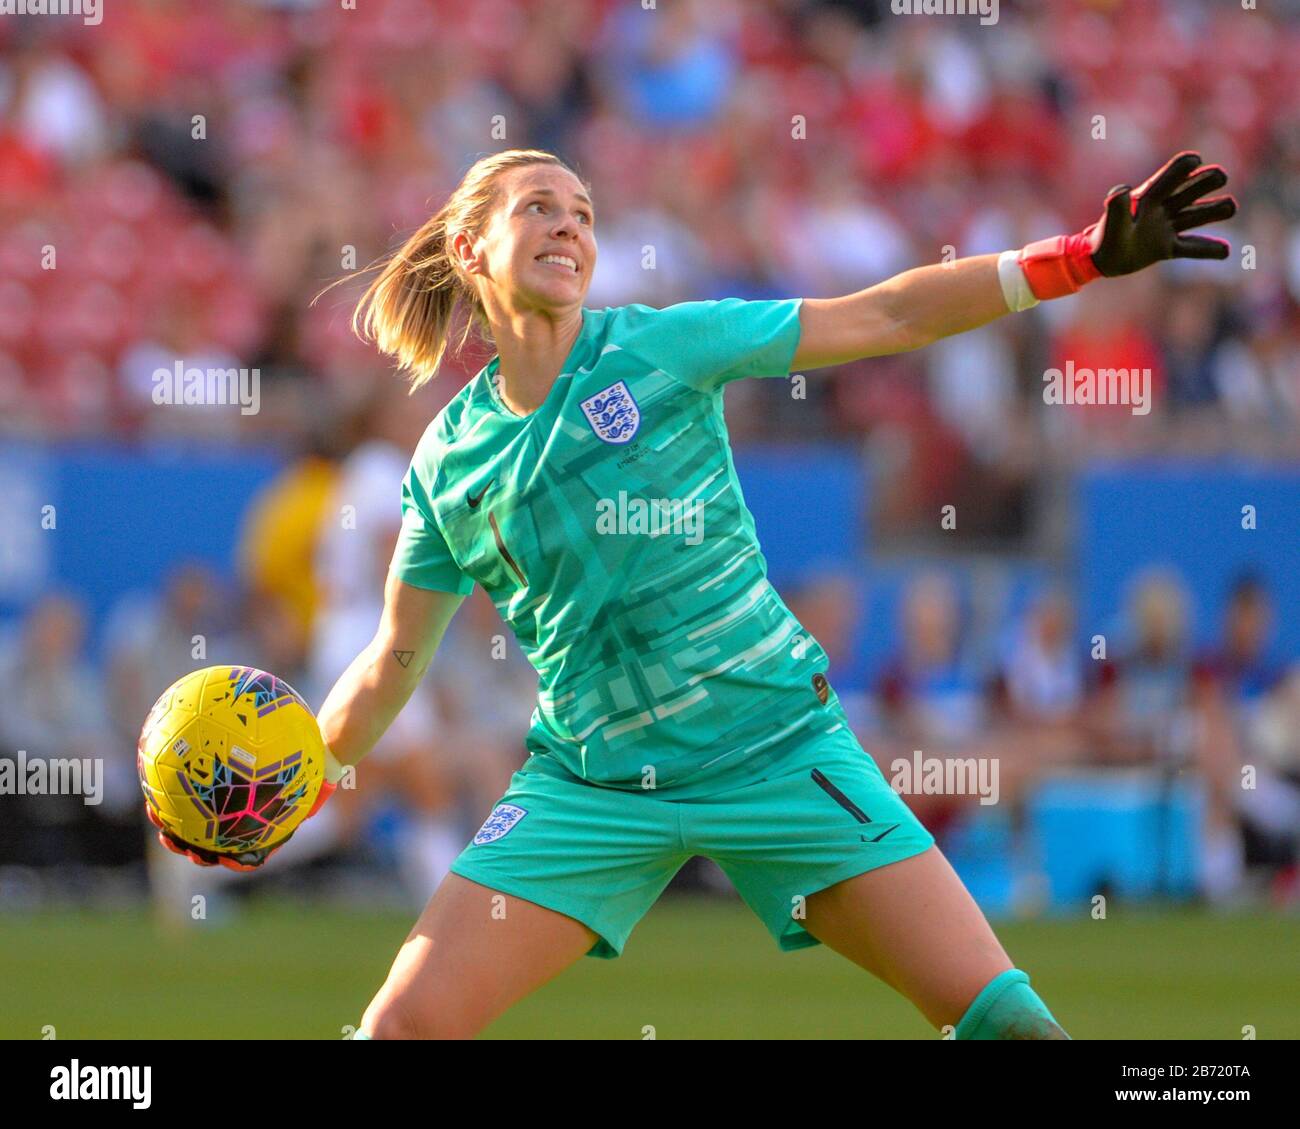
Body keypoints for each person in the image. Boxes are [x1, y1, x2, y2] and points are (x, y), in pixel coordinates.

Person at [150, 147, 1236, 1039]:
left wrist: (1078, 259)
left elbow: (886, 315)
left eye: (583, 209)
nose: (571, 225)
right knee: (400, 1030)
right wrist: (291, 785)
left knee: (1003, 1020)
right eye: (540, 206)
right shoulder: (445, 461)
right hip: (592, 785)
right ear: (470, 245)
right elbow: (392, 660)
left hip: (781, 749)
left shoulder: (663, 346)